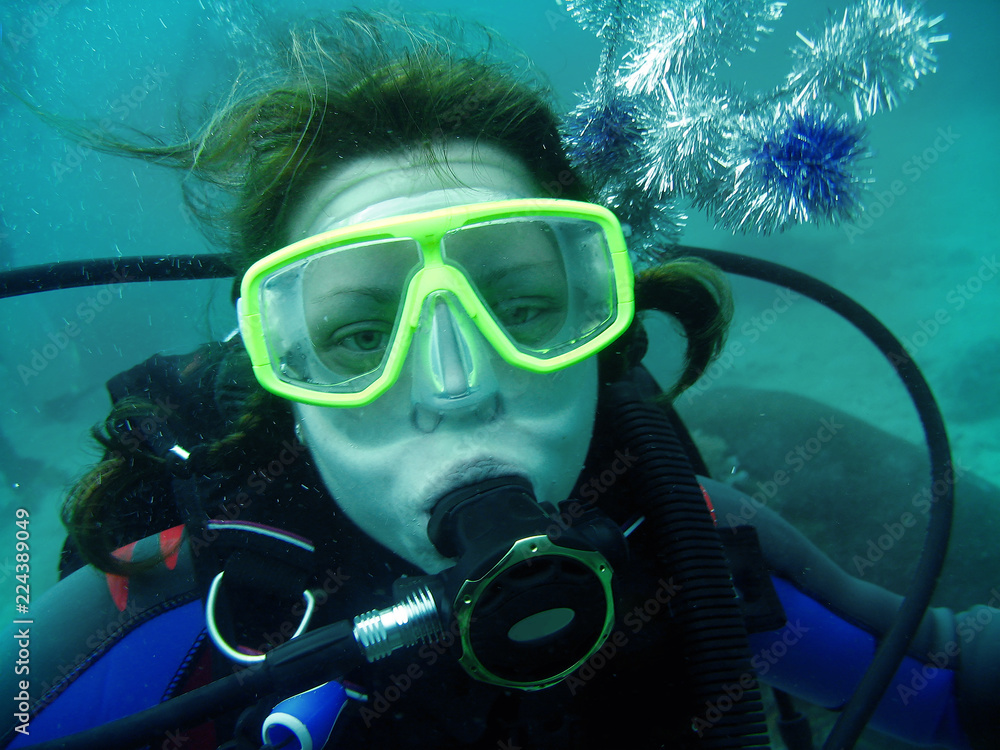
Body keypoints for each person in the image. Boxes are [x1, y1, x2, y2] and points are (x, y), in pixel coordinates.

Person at [1, 11, 997, 750]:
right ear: (285, 393)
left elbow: (943, 689)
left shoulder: (690, 545)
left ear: (593, 329)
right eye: (357, 333)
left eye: (520, 309)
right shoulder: (166, 611)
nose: (456, 384)